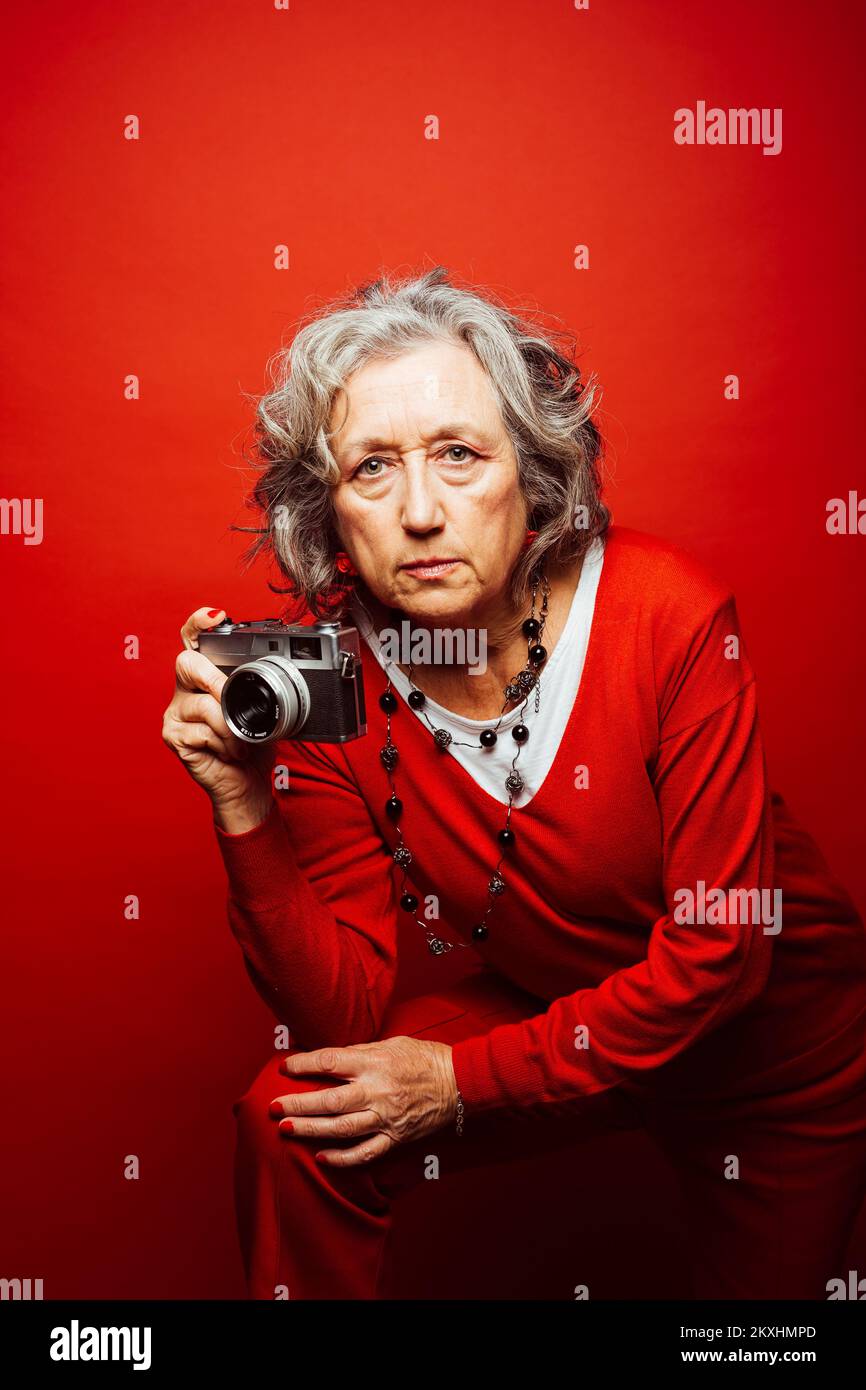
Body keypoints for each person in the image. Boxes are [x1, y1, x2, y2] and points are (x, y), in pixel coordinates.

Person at [161, 266, 866, 1300]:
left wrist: (457, 1083)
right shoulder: (326, 686)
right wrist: (242, 801)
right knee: (300, 1119)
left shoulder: (665, 614)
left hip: (768, 1055)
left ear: (533, 477)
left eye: (458, 455)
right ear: (328, 510)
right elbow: (340, 1017)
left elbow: (720, 956)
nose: (418, 511)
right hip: (559, 1011)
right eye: (370, 469)